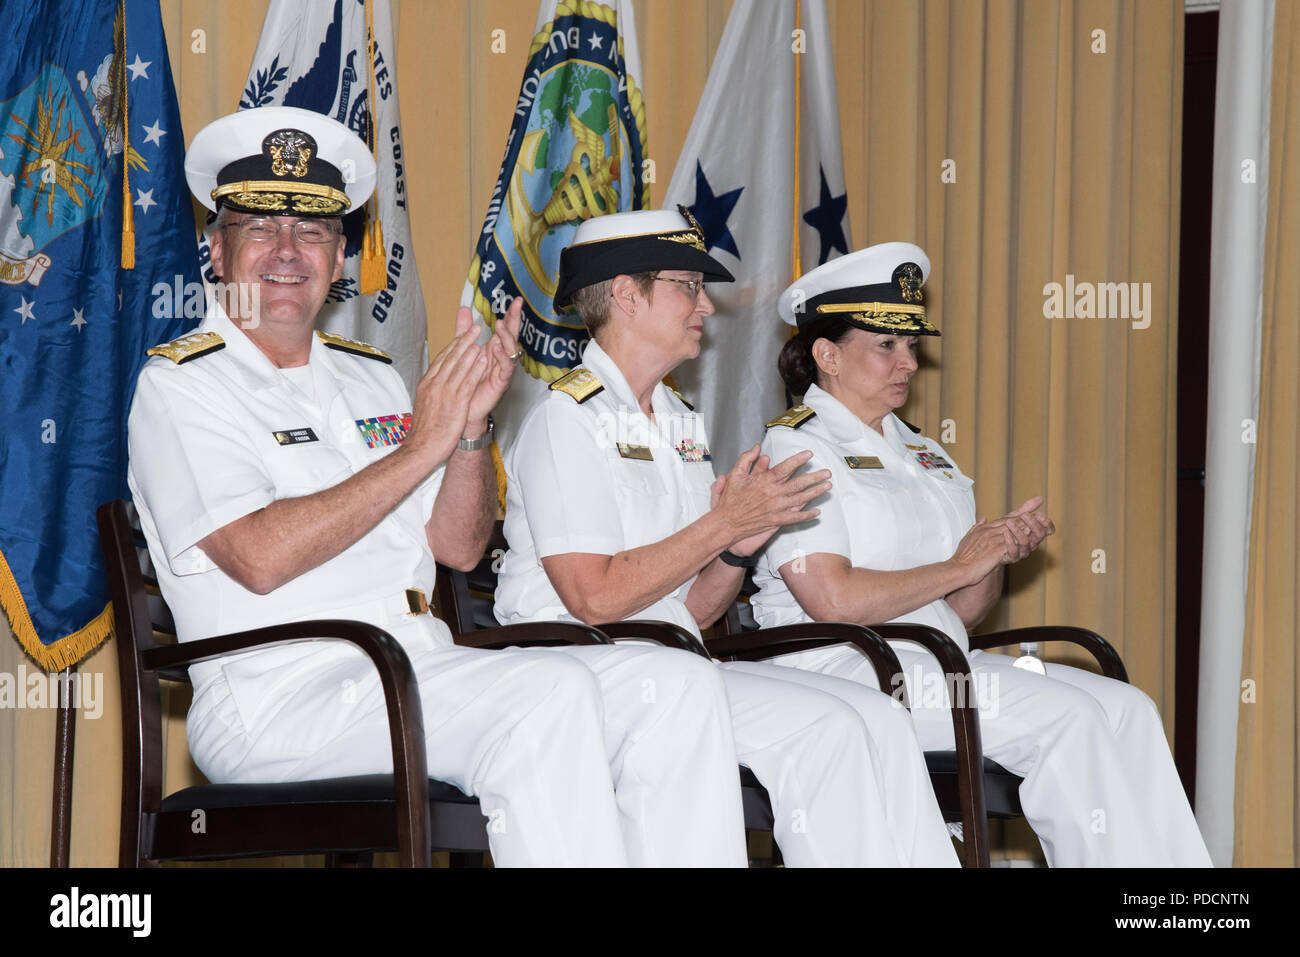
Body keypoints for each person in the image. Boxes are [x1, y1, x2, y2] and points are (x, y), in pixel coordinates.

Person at [128, 106, 752, 867]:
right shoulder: (180, 387)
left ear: (339, 257)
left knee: (673, 686)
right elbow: (259, 556)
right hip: (280, 694)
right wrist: (422, 443)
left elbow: (457, 546)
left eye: (315, 231)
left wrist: (466, 435)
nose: (288, 252)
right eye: (261, 227)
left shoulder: (374, 375)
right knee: (546, 700)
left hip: (419, 665)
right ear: (218, 251)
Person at [494, 209, 959, 867]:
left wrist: (743, 543)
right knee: (693, 694)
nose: (706, 306)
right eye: (687, 285)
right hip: (579, 668)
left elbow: (696, 610)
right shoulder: (565, 420)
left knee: (865, 718)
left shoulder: (682, 422)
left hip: (668, 661)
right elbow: (594, 599)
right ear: (627, 294)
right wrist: (724, 524)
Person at [751, 242, 1213, 866]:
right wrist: (960, 565)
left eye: (911, 346)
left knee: (1128, 708)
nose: (908, 363)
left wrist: (994, 554)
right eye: (886, 345)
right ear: (826, 354)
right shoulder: (797, 448)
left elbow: (964, 610)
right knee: (1068, 719)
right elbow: (831, 599)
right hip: (844, 668)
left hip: (936, 661)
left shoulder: (925, 455)